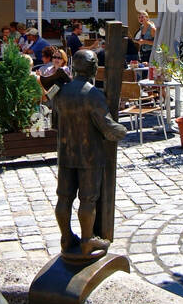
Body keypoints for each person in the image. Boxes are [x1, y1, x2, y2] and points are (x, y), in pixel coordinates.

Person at [51, 49, 128, 261]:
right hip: (89, 156)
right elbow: (107, 127)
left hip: (66, 153)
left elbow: (54, 122)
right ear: (94, 68)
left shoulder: (60, 91)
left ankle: (66, 238)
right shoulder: (92, 93)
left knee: (64, 197)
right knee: (88, 199)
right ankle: (87, 241)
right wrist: (123, 130)